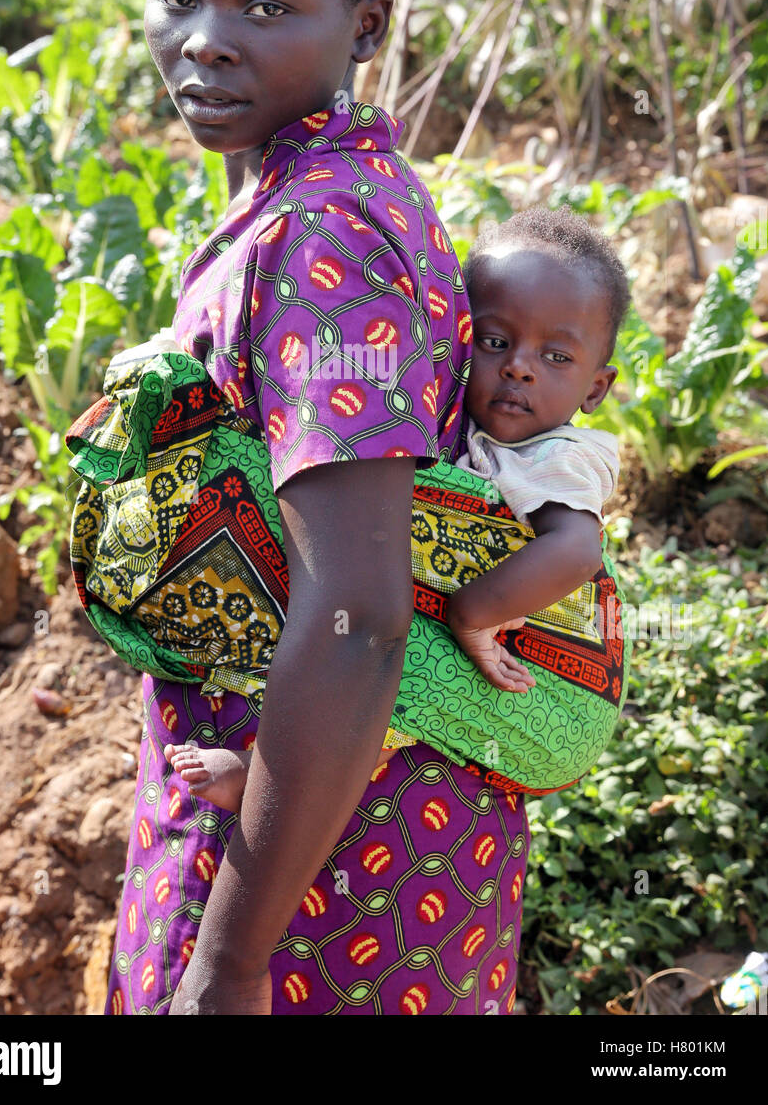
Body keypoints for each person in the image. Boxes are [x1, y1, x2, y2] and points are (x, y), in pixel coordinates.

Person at [101, 0, 529, 1018]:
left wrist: (225, 968)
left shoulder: (318, 233)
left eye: (265, 6)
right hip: (337, 825)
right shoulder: (334, 188)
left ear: (367, 25)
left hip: (315, 882)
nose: (204, 40)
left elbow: (354, 619)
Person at [166, 205, 631, 810]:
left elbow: (575, 549)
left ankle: (264, 776)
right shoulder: (464, 428)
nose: (518, 366)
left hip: (517, 660)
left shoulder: (559, 457)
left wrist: (471, 613)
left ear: (596, 388)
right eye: (496, 342)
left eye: (557, 358)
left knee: (382, 675)